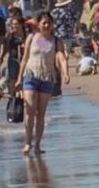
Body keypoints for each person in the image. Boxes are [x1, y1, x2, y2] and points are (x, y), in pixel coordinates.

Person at [18, 11, 68, 156]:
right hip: (31, 75)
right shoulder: (31, 38)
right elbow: (25, 59)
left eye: (49, 23)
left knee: (41, 114)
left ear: (52, 25)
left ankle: (37, 145)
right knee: (30, 111)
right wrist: (19, 79)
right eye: (43, 23)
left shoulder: (56, 41)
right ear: (38, 24)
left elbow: (61, 58)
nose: (46, 25)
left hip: (47, 78)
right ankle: (28, 142)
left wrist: (65, 73)